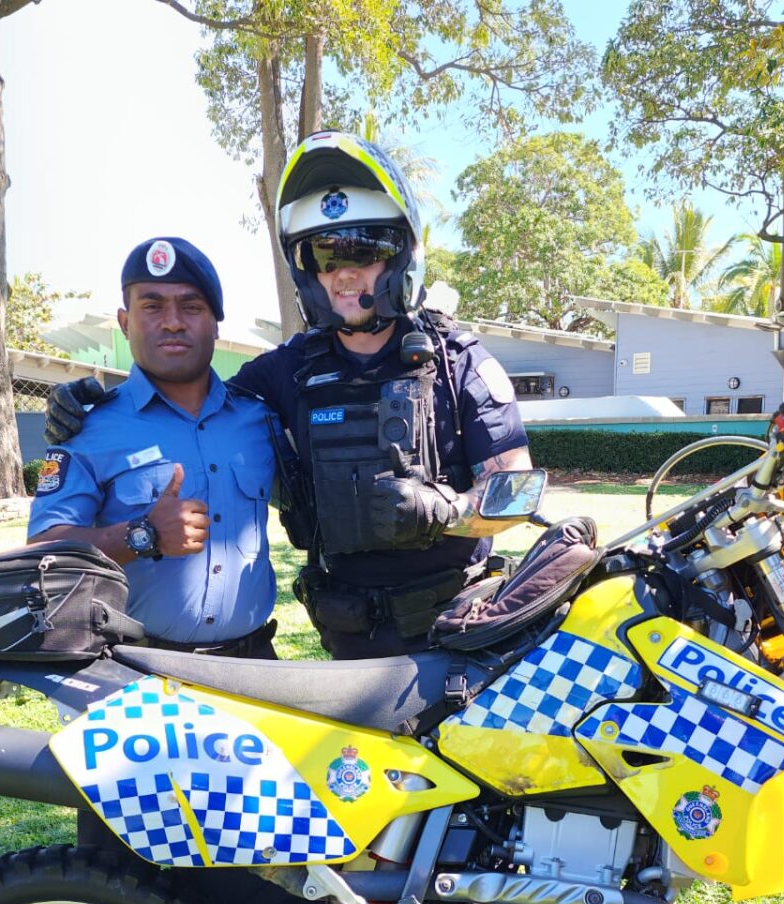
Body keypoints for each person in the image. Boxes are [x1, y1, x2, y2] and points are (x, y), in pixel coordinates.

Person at [48, 132, 534, 660]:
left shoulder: (458, 360)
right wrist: (91, 403)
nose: (345, 273)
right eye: (326, 254)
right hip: (350, 641)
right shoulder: (284, 372)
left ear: (399, 255)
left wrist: (448, 510)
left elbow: (523, 494)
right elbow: (190, 404)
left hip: (458, 630)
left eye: (365, 250)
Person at [29, 235, 282, 660]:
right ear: (125, 322)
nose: (172, 322)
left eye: (191, 307)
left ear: (216, 324)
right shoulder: (86, 426)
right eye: (152, 306)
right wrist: (141, 535)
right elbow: (43, 555)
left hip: (253, 666)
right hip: (137, 668)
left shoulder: (260, 420)